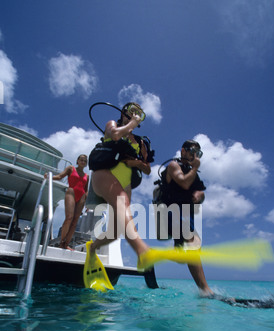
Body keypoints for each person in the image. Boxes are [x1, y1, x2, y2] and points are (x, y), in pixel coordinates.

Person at [89, 102, 151, 257]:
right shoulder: (113, 124)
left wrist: (136, 163)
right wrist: (132, 124)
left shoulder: (141, 142)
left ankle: (93, 247)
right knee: (122, 202)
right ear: (123, 113)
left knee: (115, 231)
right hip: (104, 175)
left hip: (126, 184)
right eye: (132, 111)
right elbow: (115, 135)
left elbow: (148, 169)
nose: (135, 115)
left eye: (138, 113)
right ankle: (142, 250)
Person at [162, 140, 213, 296]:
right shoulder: (173, 166)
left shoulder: (194, 174)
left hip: (186, 215)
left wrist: (200, 195)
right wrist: (196, 167)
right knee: (192, 242)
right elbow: (183, 183)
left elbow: (200, 192)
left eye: (198, 153)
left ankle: (178, 252)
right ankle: (205, 290)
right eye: (192, 151)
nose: (194, 155)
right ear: (183, 151)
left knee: (193, 245)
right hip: (169, 212)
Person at [45, 154, 89, 250]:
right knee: (69, 218)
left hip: (81, 197)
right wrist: (50, 177)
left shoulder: (87, 176)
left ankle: (66, 244)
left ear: (86, 164)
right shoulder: (71, 168)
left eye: (85, 161)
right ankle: (61, 242)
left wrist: (87, 203)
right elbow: (60, 176)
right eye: (81, 160)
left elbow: (86, 190)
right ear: (77, 161)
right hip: (71, 192)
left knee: (75, 222)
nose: (83, 162)